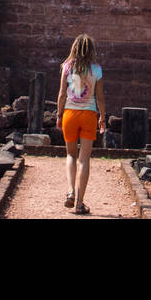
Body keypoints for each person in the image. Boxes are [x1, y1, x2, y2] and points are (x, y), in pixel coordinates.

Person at [56, 33, 105, 215]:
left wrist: (59, 115)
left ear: (74, 48)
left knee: (70, 154)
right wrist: (102, 117)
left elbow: (62, 94)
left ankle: (70, 191)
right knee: (84, 159)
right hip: (89, 114)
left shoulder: (67, 67)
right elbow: (100, 97)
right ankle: (80, 203)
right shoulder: (96, 70)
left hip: (70, 112)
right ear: (91, 50)